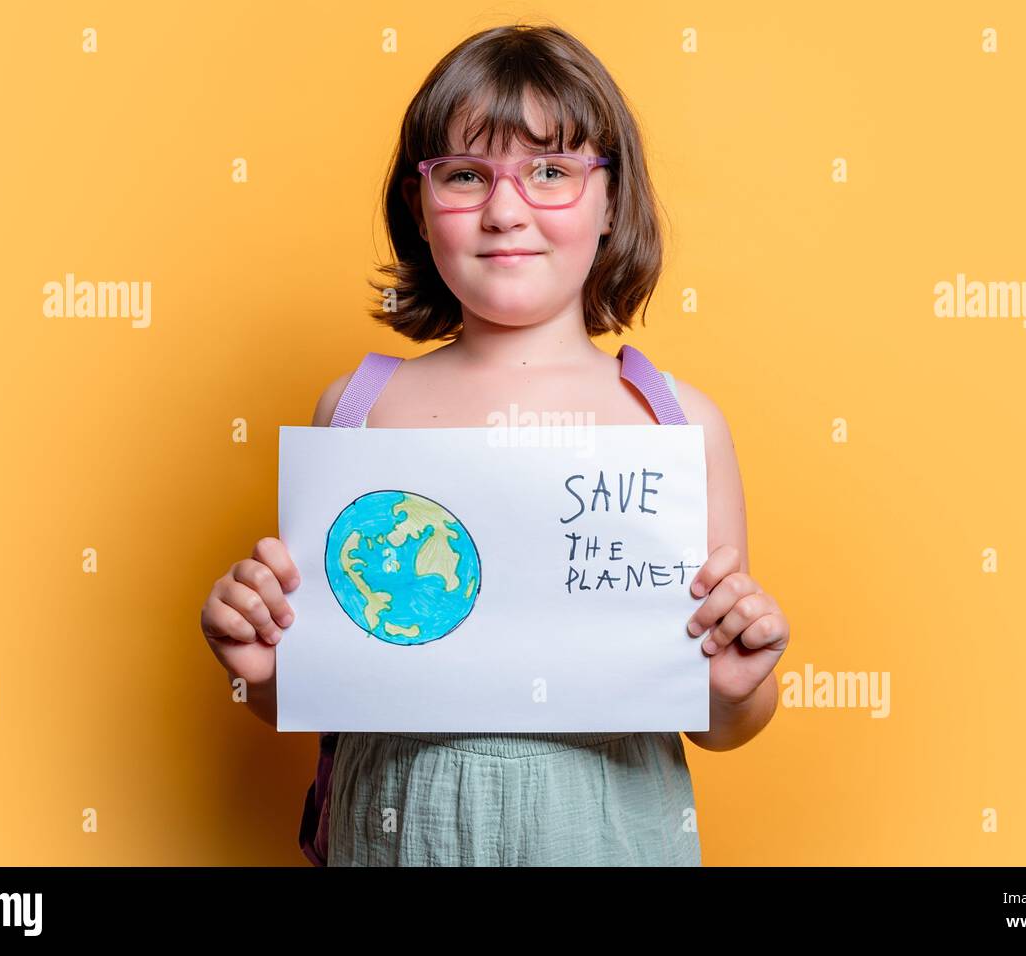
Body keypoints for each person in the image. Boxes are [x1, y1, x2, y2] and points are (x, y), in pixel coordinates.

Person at [199, 22, 790, 866]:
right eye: (467, 176)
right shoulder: (359, 410)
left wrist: (740, 685)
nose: (506, 209)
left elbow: (721, 718)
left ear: (612, 200)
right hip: (400, 832)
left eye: (551, 172)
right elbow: (319, 685)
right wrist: (255, 667)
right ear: (419, 203)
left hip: (610, 833)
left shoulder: (677, 425)